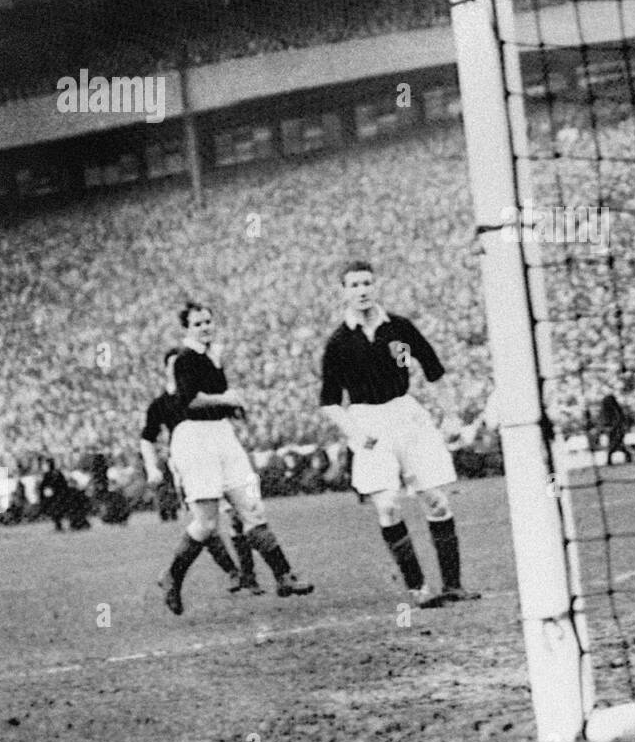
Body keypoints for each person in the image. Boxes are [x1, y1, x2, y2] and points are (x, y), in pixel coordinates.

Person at [319, 260, 480, 608]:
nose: (362, 290)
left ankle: (453, 585)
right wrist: (355, 432)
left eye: (367, 283)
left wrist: (451, 415)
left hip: (406, 415)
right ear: (343, 292)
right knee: (388, 506)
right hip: (367, 421)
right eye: (354, 285)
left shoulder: (399, 327)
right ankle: (417, 589)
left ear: (376, 285)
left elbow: (434, 370)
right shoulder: (339, 342)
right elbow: (329, 401)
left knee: (436, 500)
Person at [158, 302, 313, 615]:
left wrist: (233, 408)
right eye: (198, 323)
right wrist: (226, 399)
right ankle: (172, 576)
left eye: (208, 321)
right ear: (186, 329)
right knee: (206, 523)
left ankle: (284, 575)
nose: (205, 327)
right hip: (196, 440)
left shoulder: (211, 357)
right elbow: (190, 401)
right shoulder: (185, 358)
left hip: (223, 437)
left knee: (252, 507)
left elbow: (215, 402)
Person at [141, 347, 262, 595]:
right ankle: (232, 572)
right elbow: (147, 438)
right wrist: (152, 467)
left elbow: (231, 416)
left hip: (218, 459)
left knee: (239, 516)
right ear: (167, 370)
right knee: (207, 524)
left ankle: (249, 575)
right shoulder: (161, 404)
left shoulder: (201, 396)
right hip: (189, 466)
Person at [598, 392, 633, 465]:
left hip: (617, 430)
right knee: (617, 445)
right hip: (614, 431)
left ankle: (610, 461)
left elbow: (617, 420)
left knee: (614, 446)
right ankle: (628, 456)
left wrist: (611, 427)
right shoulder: (612, 410)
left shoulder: (615, 410)